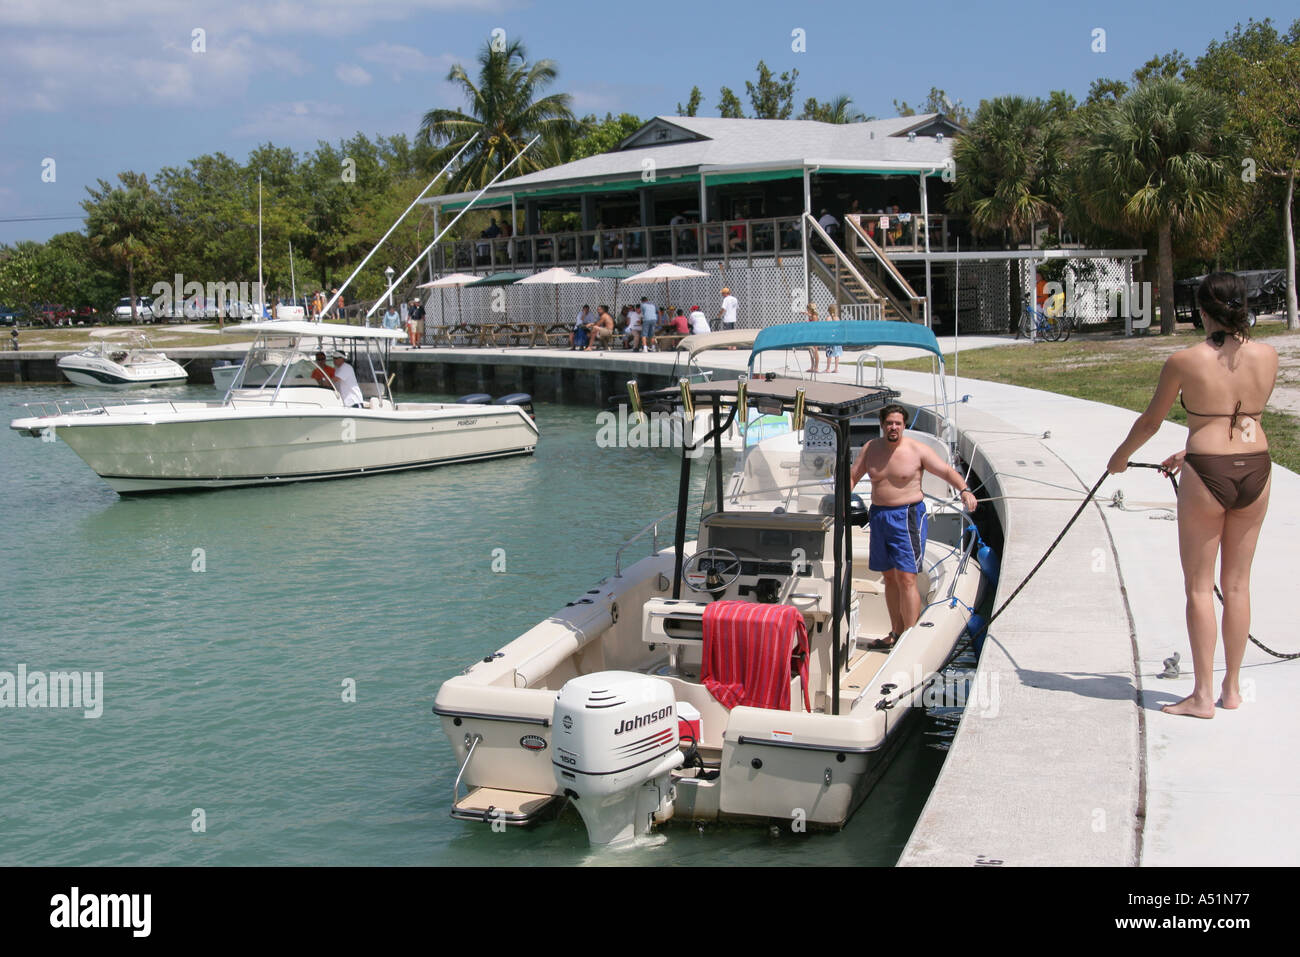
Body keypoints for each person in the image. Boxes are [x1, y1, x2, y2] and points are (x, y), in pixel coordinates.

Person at [1106, 272, 1277, 719]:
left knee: (1200, 587)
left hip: (1208, 473)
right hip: (1256, 466)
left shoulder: (1184, 360)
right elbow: (1241, 416)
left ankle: (1202, 696)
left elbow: (1149, 422)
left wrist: (1120, 458)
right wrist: (1190, 447)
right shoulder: (1269, 355)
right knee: (1237, 585)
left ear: (1201, 311)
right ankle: (1232, 688)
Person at [850, 404, 978, 647]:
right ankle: (896, 633)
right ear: (882, 424)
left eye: (898, 423)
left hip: (906, 516)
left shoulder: (917, 450)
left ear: (904, 426)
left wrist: (964, 491)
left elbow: (947, 471)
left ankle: (911, 637)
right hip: (878, 516)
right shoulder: (871, 449)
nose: (894, 427)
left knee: (907, 578)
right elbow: (853, 476)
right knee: (888, 577)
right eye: (889, 423)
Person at [825, 303, 843, 373]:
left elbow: (826, 329)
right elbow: (839, 328)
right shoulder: (837, 318)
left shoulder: (828, 318)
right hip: (837, 338)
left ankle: (828, 368)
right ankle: (836, 368)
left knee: (829, 353)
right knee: (837, 354)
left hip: (830, 338)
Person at [805, 302, 821, 373]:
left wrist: (808, 323)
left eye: (808, 309)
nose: (807, 310)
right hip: (811, 334)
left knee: (815, 351)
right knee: (810, 351)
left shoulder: (814, 316)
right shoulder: (811, 316)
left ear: (810, 309)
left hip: (815, 335)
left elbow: (814, 326)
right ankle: (812, 367)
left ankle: (816, 367)